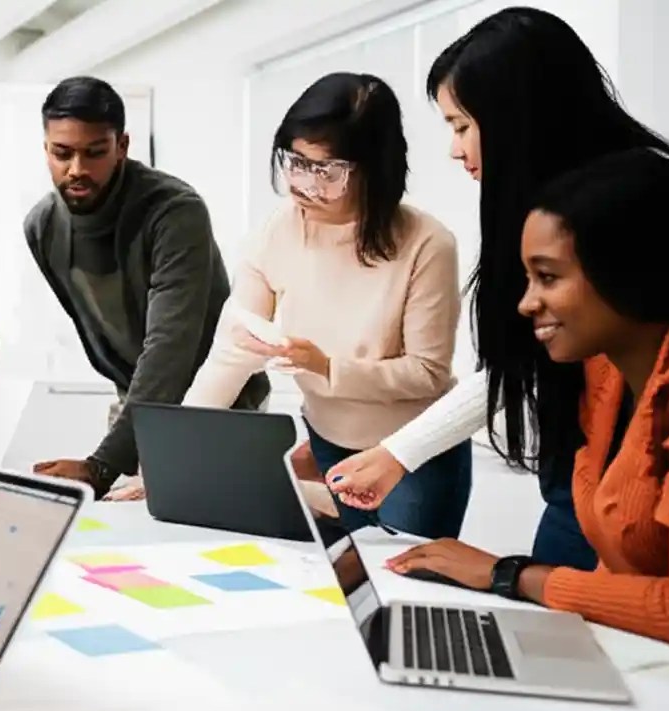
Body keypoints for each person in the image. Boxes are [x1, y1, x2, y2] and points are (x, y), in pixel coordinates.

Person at [327, 7, 669, 569]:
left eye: (461, 126)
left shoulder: (627, 201)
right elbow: (518, 356)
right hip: (581, 474)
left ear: (518, 115)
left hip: (642, 484)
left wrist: (503, 574)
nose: (454, 149)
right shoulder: (534, 201)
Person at [111, 74, 471, 539]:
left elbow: (427, 373)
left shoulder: (428, 244)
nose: (303, 184)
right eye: (296, 162)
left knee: (397, 591)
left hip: (411, 455)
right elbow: (231, 354)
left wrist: (325, 366)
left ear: (374, 168)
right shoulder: (276, 233)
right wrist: (169, 468)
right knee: (329, 583)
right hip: (327, 444)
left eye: (327, 171)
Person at [387, 148, 669, 647]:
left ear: (629, 269)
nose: (527, 303)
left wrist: (509, 575)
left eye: (547, 277)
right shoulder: (606, 374)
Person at [24, 76, 269, 495]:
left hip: (220, 410)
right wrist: (120, 449)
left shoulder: (174, 212)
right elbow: (100, 335)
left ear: (122, 145)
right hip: (138, 409)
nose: (77, 169)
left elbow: (170, 347)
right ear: (45, 148)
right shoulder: (42, 227)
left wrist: (103, 465)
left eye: (95, 152)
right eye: (62, 153)